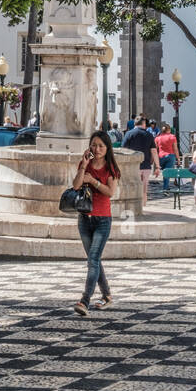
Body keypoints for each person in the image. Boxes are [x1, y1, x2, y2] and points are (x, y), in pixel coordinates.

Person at [71, 131, 121, 315]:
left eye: (101, 145)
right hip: (84, 218)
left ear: (107, 148)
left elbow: (110, 192)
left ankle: (84, 300)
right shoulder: (86, 164)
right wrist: (83, 167)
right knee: (94, 261)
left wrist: (92, 180)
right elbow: (76, 186)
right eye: (94, 145)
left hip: (102, 220)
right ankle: (107, 296)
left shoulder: (111, 168)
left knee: (93, 260)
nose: (97, 149)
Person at [122, 116, 161, 207]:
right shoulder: (149, 135)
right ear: (143, 124)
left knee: (131, 188)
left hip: (132, 166)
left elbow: (123, 150)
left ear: (135, 123)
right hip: (146, 166)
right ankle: (142, 208)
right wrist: (158, 167)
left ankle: (131, 208)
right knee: (144, 190)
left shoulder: (129, 134)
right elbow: (154, 152)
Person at [154, 122, 180, 193]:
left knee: (165, 172)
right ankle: (166, 187)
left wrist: (153, 159)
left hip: (161, 156)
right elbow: (175, 149)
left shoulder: (157, 138)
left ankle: (166, 186)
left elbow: (155, 149)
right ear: (169, 130)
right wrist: (178, 158)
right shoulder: (172, 137)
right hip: (170, 156)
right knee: (167, 172)